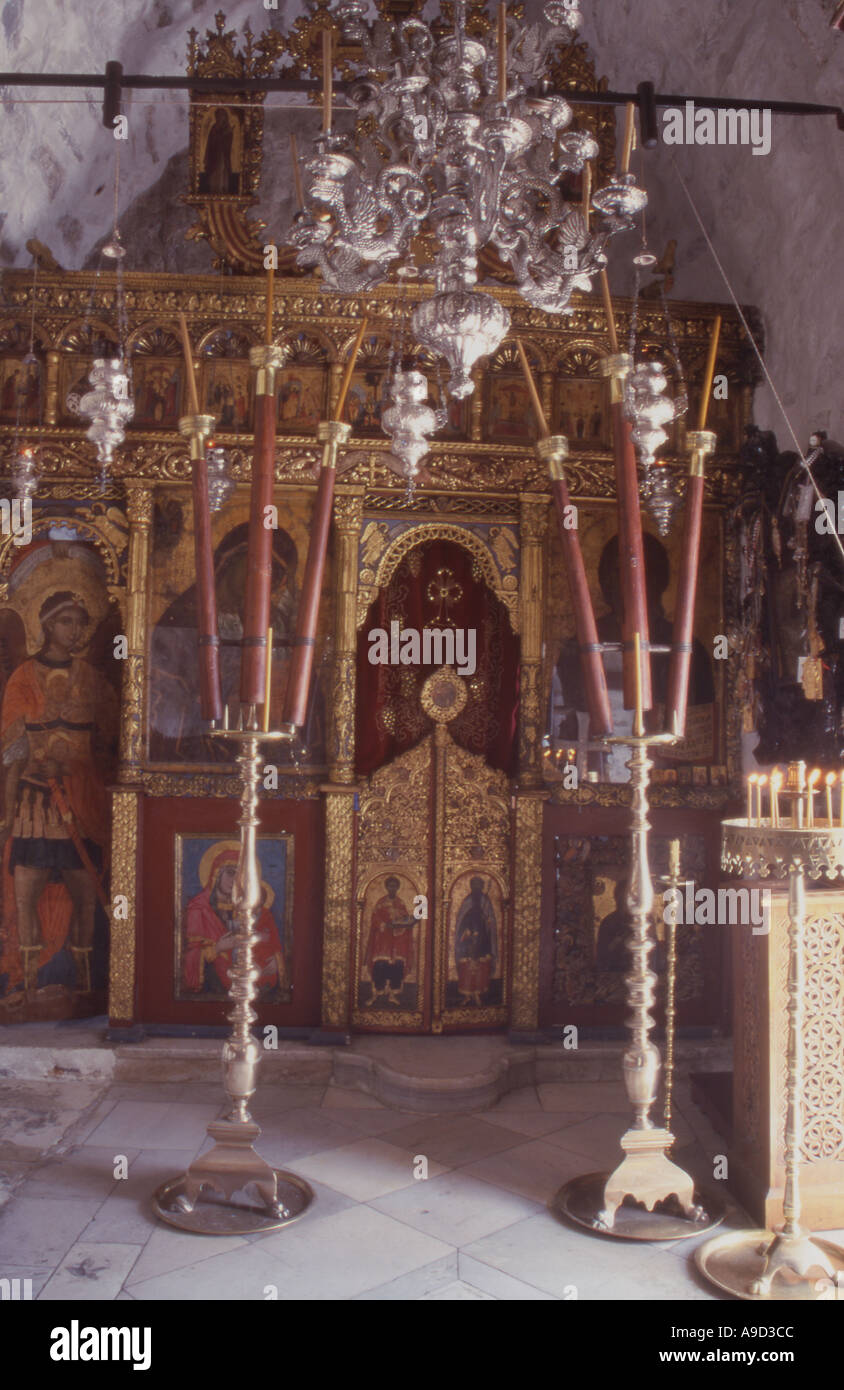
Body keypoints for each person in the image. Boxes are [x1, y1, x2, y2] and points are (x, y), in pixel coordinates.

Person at [0, 591, 118, 996]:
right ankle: (29, 986)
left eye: (80, 623)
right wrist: (11, 802)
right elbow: (11, 750)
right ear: (48, 624)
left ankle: (87, 986)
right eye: (67, 621)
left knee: (85, 894)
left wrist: (75, 771)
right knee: (26, 895)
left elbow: (113, 745)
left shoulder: (91, 679)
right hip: (35, 805)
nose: (75, 630)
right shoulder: (24, 677)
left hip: (80, 805)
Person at [183, 846, 285, 998]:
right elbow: (186, 957)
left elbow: (271, 944)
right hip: (214, 984)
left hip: (249, 980)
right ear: (217, 873)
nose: (235, 880)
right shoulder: (198, 909)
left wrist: (277, 963)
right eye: (230, 873)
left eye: (240, 875)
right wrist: (217, 948)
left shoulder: (247, 907)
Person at [364, 875, 415, 1006]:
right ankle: (377, 993)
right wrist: (385, 925)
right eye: (390, 886)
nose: (392, 888)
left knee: (396, 966)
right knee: (381, 965)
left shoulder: (401, 903)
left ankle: (393, 994)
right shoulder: (381, 903)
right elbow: (375, 919)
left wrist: (405, 923)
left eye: (395, 886)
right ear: (387, 887)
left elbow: (405, 919)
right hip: (383, 941)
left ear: (398, 888)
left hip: (398, 941)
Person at [454, 876, 497, 1006]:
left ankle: (477, 993)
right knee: (467, 965)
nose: (477, 888)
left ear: (482, 887)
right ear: (472, 887)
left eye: (479, 885)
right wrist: (466, 932)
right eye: (474, 885)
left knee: (481, 965)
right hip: (467, 939)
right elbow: (461, 919)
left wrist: (487, 921)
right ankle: (467, 995)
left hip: (483, 939)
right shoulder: (467, 901)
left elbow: (491, 921)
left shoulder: (485, 900)